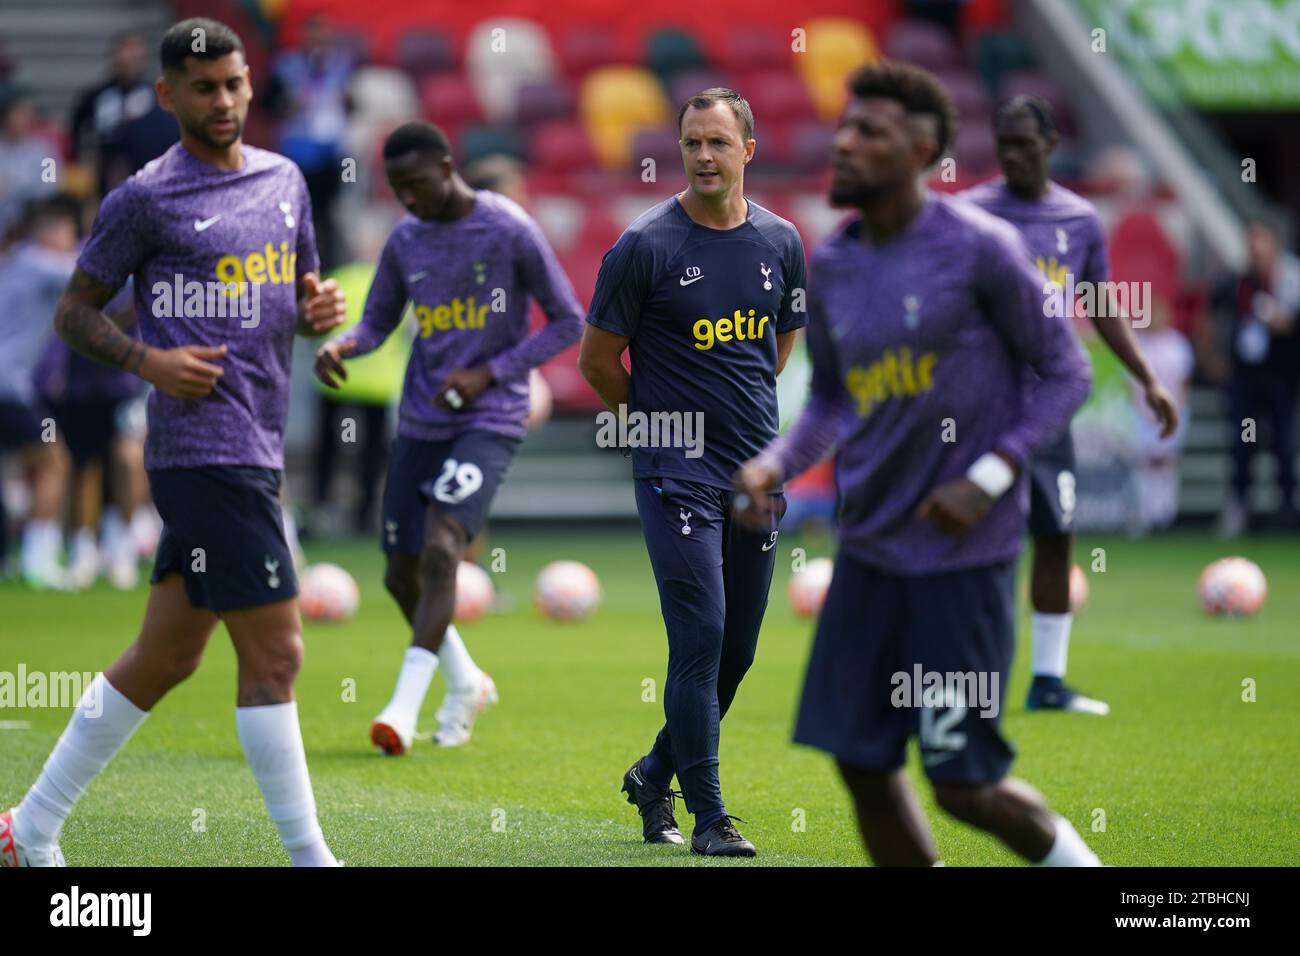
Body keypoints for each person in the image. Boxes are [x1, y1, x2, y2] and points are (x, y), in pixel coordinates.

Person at [1, 18, 346, 867]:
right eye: (203, 88)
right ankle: (312, 859)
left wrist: (319, 317)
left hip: (259, 440)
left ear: (249, 86)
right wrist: (148, 358)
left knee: (166, 655)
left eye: (233, 84)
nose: (222, 101)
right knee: (279, 653)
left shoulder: (286, 180)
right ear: (168, 95)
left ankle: (28, 826)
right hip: (203, 448)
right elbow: (75, 312)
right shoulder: (146, 197)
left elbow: (295, 296)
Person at [737, 61, 1099, 866]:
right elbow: (831, 397)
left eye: (870, 131)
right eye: (843, 127)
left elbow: (1067, 370)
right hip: (867, 552)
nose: (844, 142)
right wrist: (775, 465)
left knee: (963, 785)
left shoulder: (981, 249)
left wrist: (992, 476)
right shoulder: (832, 261)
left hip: (960, 561)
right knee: (862, 764)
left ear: (923, 147)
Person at [579, 88, 807, 856]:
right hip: (675, 469)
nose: (704, 157)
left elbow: (776, 347)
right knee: (702, 635)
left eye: (717, 142)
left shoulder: (782, 241)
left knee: (738, 650)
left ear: (748, 148)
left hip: (755, 474)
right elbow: (598, 361)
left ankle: (653, 773)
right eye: (691, 144)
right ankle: (710, 818)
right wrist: (657, 427)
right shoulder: (645, 245)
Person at [314, 122, 583, 753]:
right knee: (398, 574)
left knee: (442, 549)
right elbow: (378, 321)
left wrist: (491, 372)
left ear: (445, 164)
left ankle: (403, 710)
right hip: (422, 419)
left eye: (416, 183)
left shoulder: (508, 228)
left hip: (490, 416)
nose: (408, 199)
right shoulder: (406, 240)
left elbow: (569, 320)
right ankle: (465, 681)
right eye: (396, 188)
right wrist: (343, 344)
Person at [961, 95, 1178, 713]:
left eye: (1026, 143)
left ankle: (1049, 681)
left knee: (1056, 534)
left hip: (1048, 410)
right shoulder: (971, 215)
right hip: (981, 408)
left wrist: (1148, 379)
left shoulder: (1078, 220)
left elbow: (1102, 304)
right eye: (1005, 144)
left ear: (1051, 143)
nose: (1014, 155)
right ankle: (973, 679)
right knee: (979, 541)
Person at [0, 195, 76, 587]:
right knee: (54, 461)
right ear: (51, 232)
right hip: (7, 386)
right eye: (68, 234)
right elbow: (90, 276)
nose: (71, 241)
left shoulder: (12, 262)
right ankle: (38, 559)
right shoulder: (38, 263)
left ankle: (13, 558)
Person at [1213, 220, 1300, 535]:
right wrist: (1215, 356)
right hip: (1245, 377)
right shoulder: (1239, 283)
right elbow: (1213, 313)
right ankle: (1239, 505)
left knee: (1283, 442)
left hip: (1280, 375)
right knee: (1242, 443)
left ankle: (1288, 509)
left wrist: (1286, 324)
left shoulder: (1291, 280)